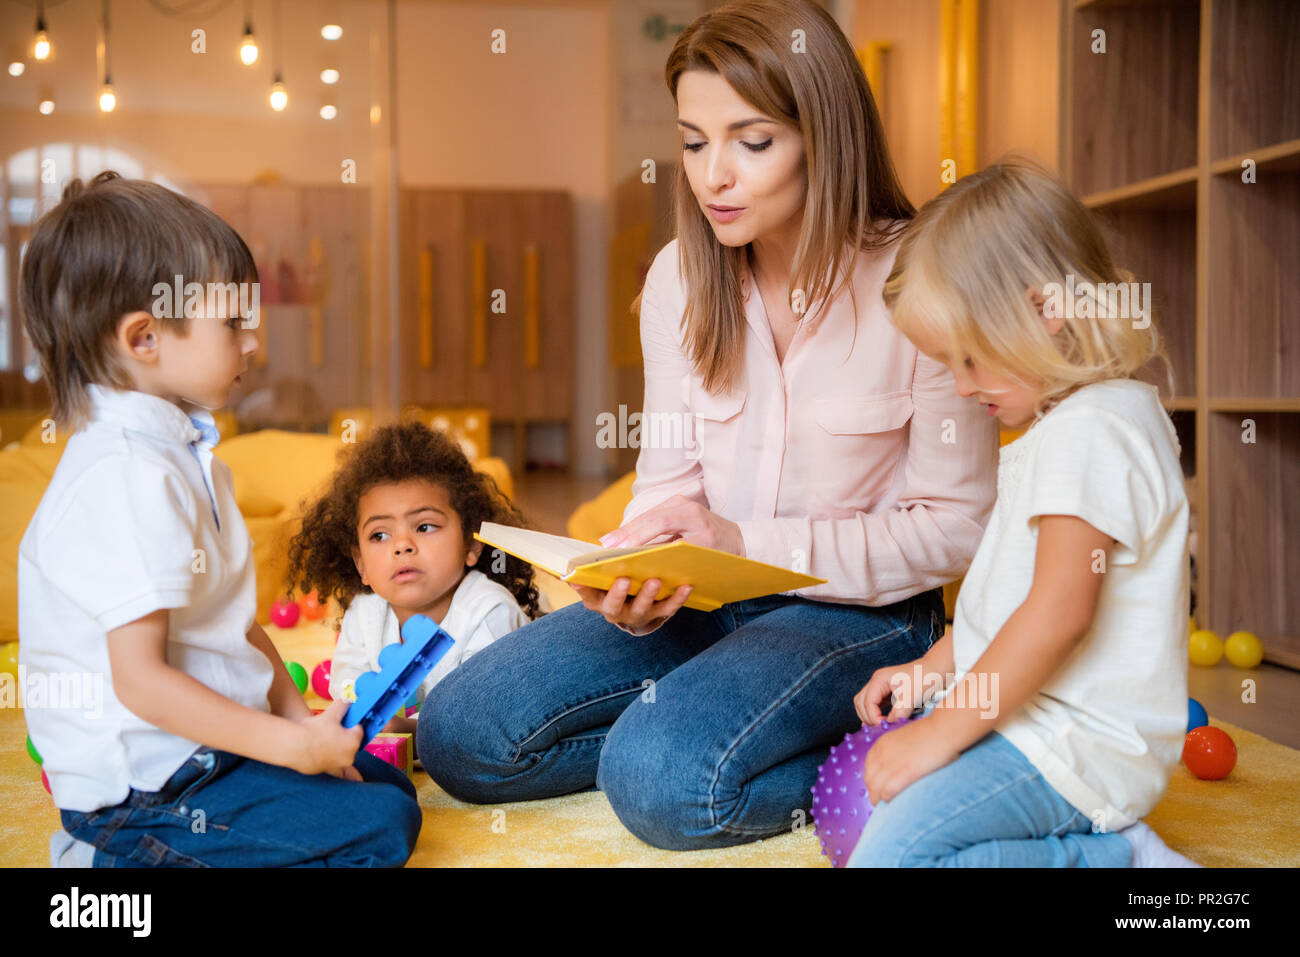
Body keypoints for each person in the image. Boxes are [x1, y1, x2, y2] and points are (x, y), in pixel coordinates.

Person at [417, 0, 997, 851]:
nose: (712, 174)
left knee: (664, 782)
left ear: (824, 136)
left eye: (752, 142)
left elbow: (960, 528)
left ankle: (900, 747)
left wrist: (747, 540)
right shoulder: (680, 281)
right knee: (458, 729)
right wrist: (637, 567)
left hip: (862, 616)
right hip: (706, 600)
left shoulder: (922, 280)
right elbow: (669, 483)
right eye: (694, 141)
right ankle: (714, 719)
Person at [19, 172, 420, 867]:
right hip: (149, 789)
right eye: (233, 322)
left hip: (210, 755)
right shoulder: (123, 472)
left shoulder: (181, 449)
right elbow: (140, 681)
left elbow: (230, 626)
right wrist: (293, 747)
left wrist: (299, 719)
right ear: (144, 338)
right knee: (378, 823)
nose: (252, 341)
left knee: (384, 787)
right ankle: (110, 860)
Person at [847, 157, 1199, 868]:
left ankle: (1113, 861)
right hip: (1030, 723)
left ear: (1047, 309)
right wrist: (931, 670)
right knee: (890, 821)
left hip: (1075, 750)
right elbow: (1008, 604)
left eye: (971, 358)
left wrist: (941, 729)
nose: (961, 384)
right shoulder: (1068, 423)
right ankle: (1096, 841)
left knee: (891, 859)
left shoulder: (1093, 431)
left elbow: (1058, 613)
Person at [285, 420, 537, 735]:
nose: (402, 545)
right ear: (361, 564)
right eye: (379, 535)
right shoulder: (364, 612)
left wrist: (411, 730)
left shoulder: (489, 612)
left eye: (425, 527)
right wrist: (360, 710)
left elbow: (486, 716)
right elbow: (346, 680)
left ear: (471, 545)